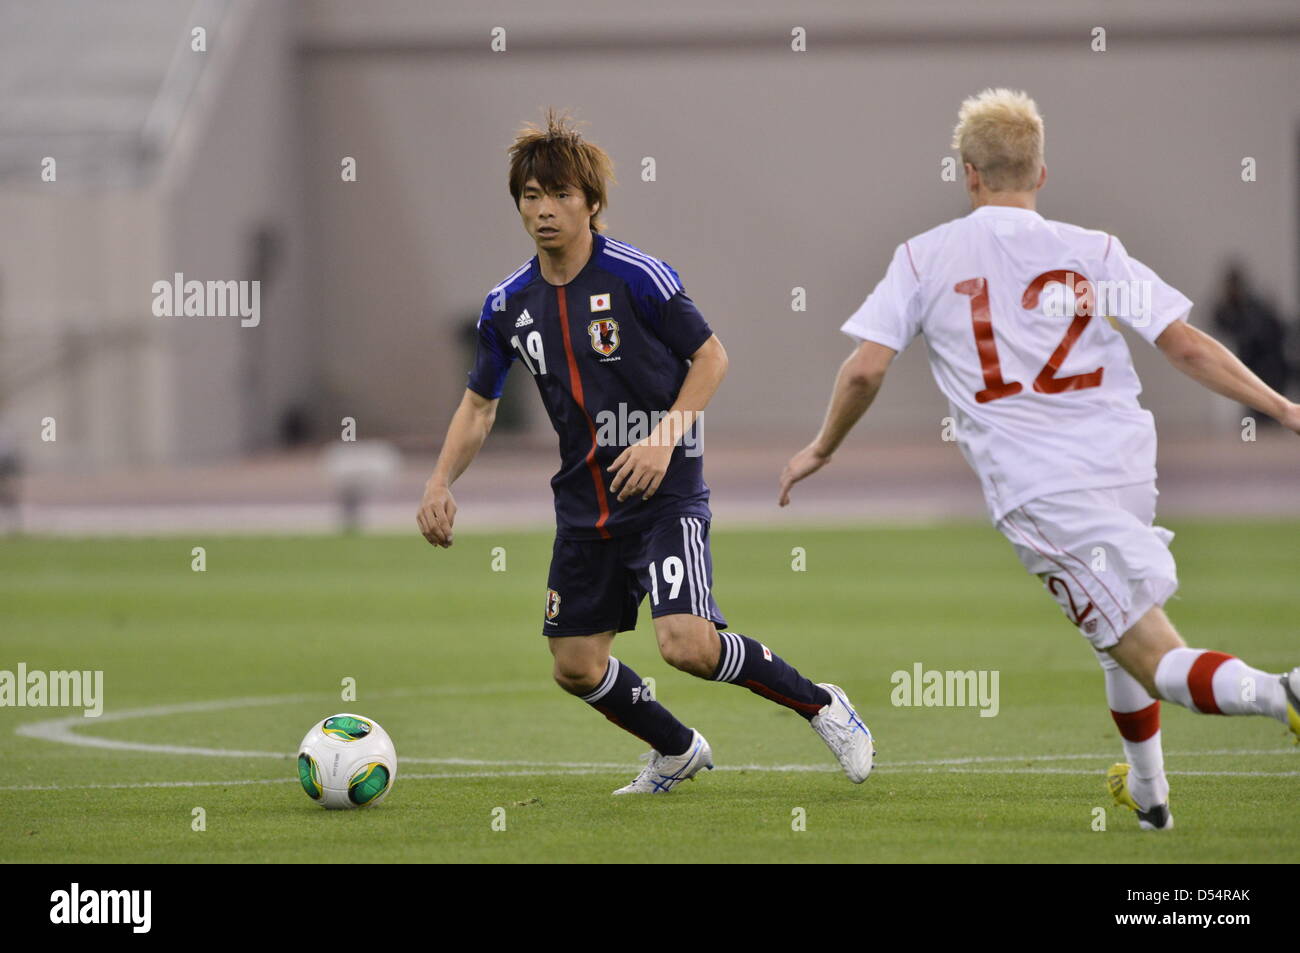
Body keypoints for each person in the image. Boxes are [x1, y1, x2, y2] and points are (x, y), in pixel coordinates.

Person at [779, 88, 1300, 829]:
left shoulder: (925, 257)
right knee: (1112, 634)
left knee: (1154, 656)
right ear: (1042, 172)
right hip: (1126, 469)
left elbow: (864, 369)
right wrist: (1280, 407)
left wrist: (820, 448)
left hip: (1043, 493)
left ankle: (1283, 693)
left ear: (968, 173)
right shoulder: (1094, 249)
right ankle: (1151, 798)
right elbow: (1184, 343)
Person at [418, 110, 873, 794]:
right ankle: (677, 749)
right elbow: (480, 405)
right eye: (532, 196)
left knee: (686, 644)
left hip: (664, 494)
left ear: (592, 204)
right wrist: (439, 482)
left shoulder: (638, 277)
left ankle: (824, 704)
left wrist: (662, 438)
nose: (544, 210)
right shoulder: (506, 304)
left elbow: (712, 357)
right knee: (574, 664)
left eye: (561, 195)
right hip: (583, 505)